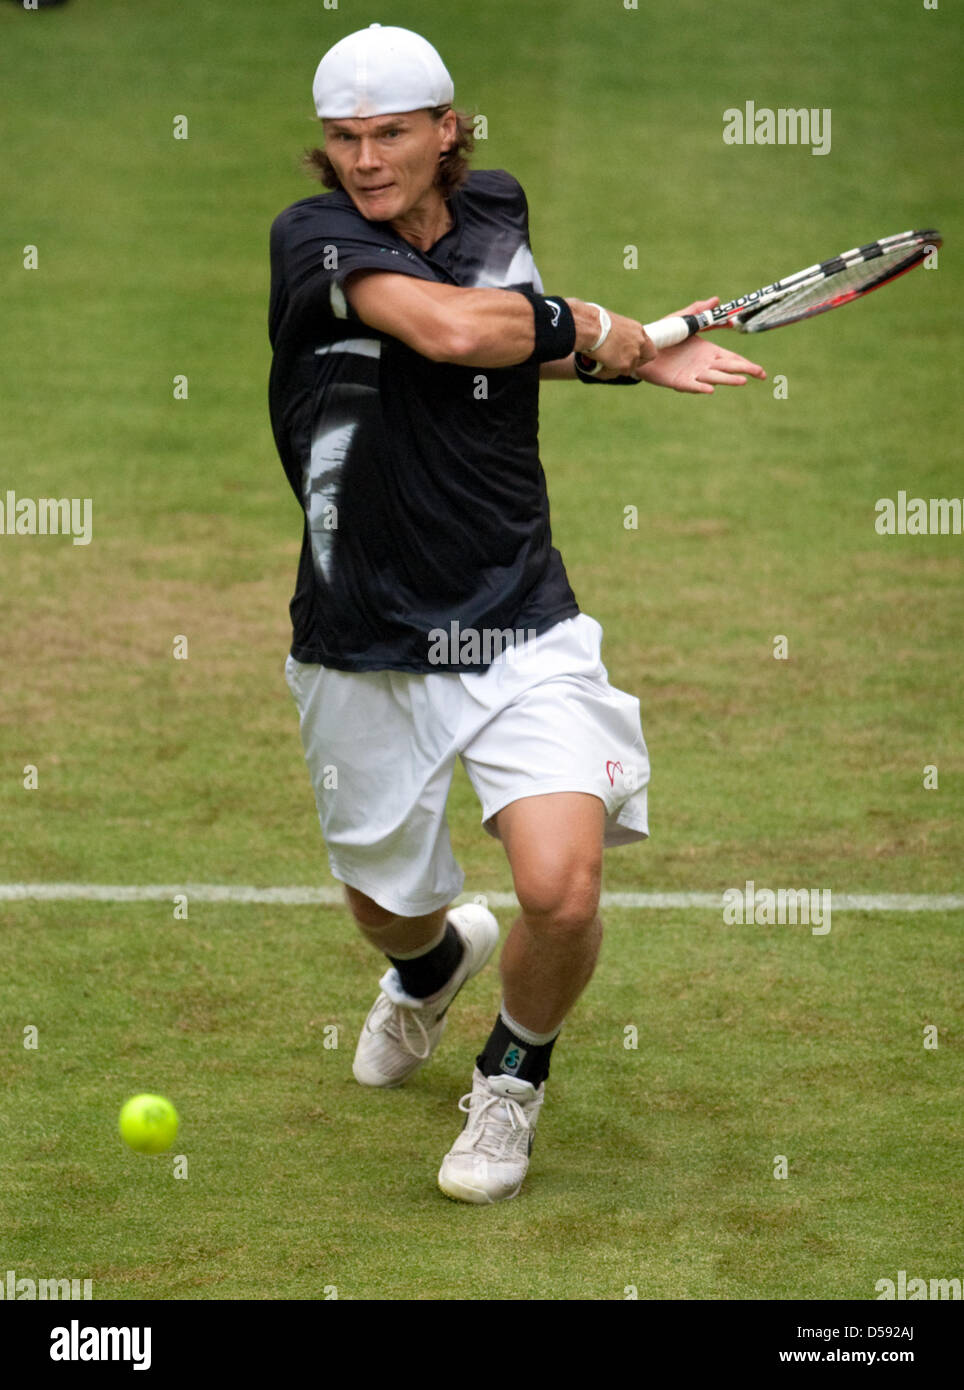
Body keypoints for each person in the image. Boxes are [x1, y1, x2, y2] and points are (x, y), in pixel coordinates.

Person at [268, 23, 765, 1204]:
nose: (365, 160)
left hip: (514, 612)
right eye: (343, 137)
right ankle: (432, 965)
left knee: (560, 885)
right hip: (359, 631)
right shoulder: (315, 237)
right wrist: (604, 329)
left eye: (391, 133)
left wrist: (626, 357)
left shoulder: (495, 208)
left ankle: (511, 1076)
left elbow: (501, 338)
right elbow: (447, 329)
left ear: (448, 130)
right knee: (388, 907)